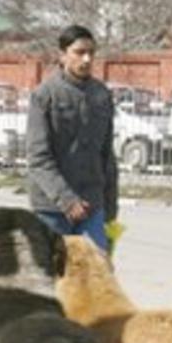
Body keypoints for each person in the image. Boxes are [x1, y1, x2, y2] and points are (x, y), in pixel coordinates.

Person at [25, 25, 118, 250]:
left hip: (92, 205)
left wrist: (110, 207)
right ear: (63, 55)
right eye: (79, 52)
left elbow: (107, 156)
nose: (86, 59)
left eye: (91, 53)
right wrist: (66, 199)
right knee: (55, 277)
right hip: (52, 207)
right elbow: (38, 158)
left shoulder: (101, 95)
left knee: (96, 274)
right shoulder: (45, 95)